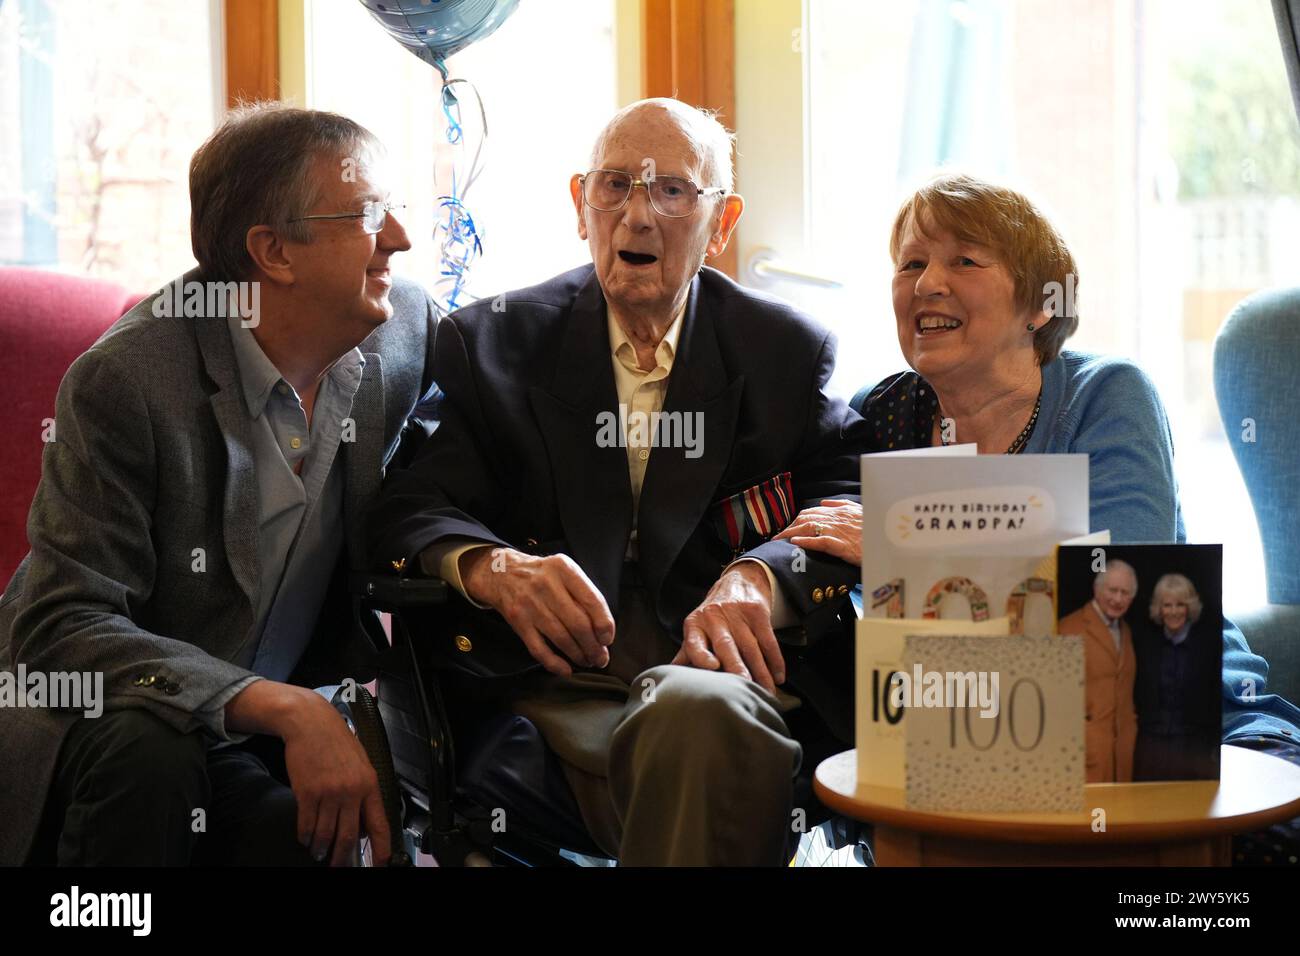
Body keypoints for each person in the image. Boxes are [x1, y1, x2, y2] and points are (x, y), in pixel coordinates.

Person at [366, 97, 866, 866]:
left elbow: (851, 497)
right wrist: (495, 567)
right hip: (552, 683)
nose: (637, 216)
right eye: (615, 186)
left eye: (671, 190)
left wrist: (762, 578)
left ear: (722, 222)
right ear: (580, 204)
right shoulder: (493, 341)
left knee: (697, 723)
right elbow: (410, 503)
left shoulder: (785, 351)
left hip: (719, 677)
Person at [0, 104, 439, 866]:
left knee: (304, 830)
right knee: (154, 757)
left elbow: (501, 418)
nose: (399, 237)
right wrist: (277, 707)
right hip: (105, 712)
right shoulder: (129, 382)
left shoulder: (404, 328)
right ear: (273, 251)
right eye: (369, 214)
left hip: (264, 723)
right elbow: (62, 624)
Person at [776, 172, 1300, 797]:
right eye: (910, 263)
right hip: (970, 738)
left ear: (1041, 304)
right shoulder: (882, 412)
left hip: (1183, 725)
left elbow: (1121, 600)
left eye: (963, 260)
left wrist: (901, 547)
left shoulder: (1106, 395)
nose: (927, 284)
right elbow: (827, 560)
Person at [1133, 573, 1222, 780]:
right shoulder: (1143, 644)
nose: (1173, 612)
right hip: (1151, 745)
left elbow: (1214, 700)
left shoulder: (1209, 646)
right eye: (1167, 605)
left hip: (1193, 746)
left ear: (1189, 607)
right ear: (1159, 609)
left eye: (1180, 604)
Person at [1058, 562, 1140, 782]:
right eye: (1112, 590)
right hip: (1085, 755)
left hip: (1121, 755)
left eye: (1125, 593)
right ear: (1097, 589)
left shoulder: (1126, 630)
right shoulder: (1068, 629)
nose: (1118, 599)